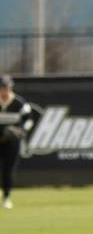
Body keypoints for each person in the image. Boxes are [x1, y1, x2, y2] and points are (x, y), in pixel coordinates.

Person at [0, 74, 44, 211]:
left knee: (8, 170)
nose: (4, 91)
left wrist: (22, 131)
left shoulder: (19, 103)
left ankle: (6, 197)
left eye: (6, 88)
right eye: (2, 88)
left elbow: (29, 119)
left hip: (12, 142)